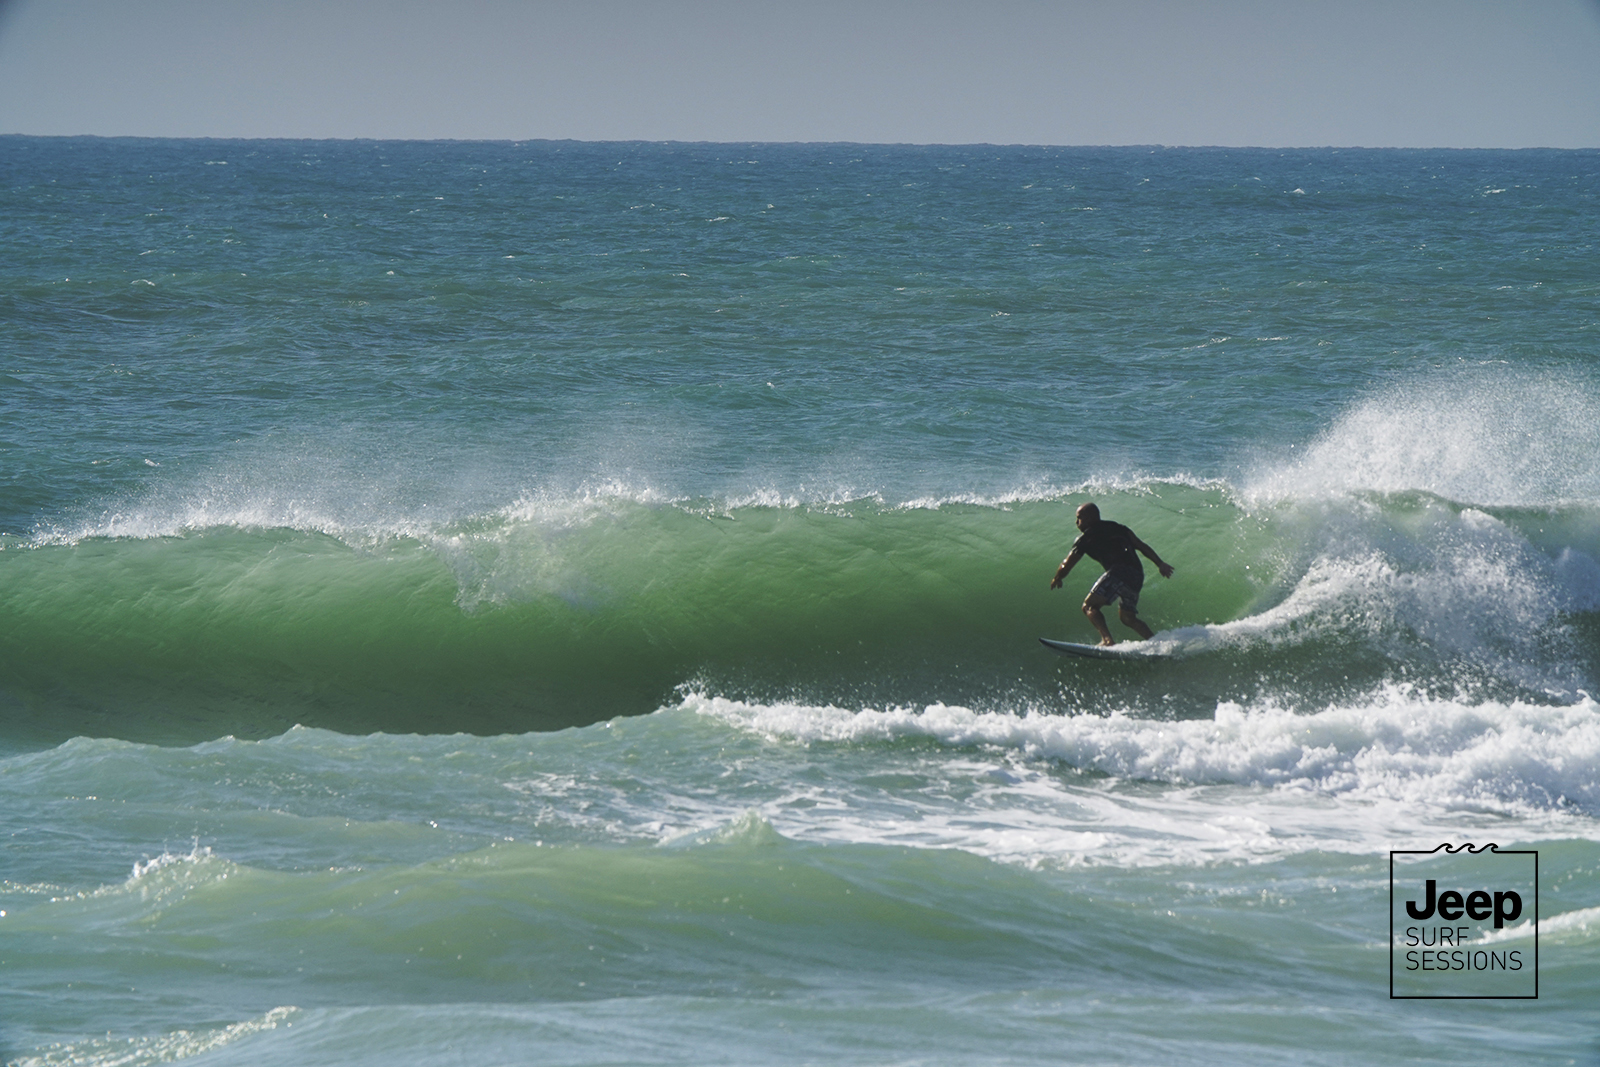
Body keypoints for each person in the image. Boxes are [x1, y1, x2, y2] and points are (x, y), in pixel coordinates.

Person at [1049, 502, 1173, 646]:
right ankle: (1157, 643)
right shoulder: (1117, 528)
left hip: (1119, 572)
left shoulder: (1085, 538)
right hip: (1137, 575)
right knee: (1128, 618)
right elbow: (1141, 546)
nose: (1077, 522)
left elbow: (1067, 564)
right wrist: (1160, 563)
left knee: (1089, 606)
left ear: (1089, 518)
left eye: (1079, 518)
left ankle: (1107, 640)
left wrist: (1058, 577)